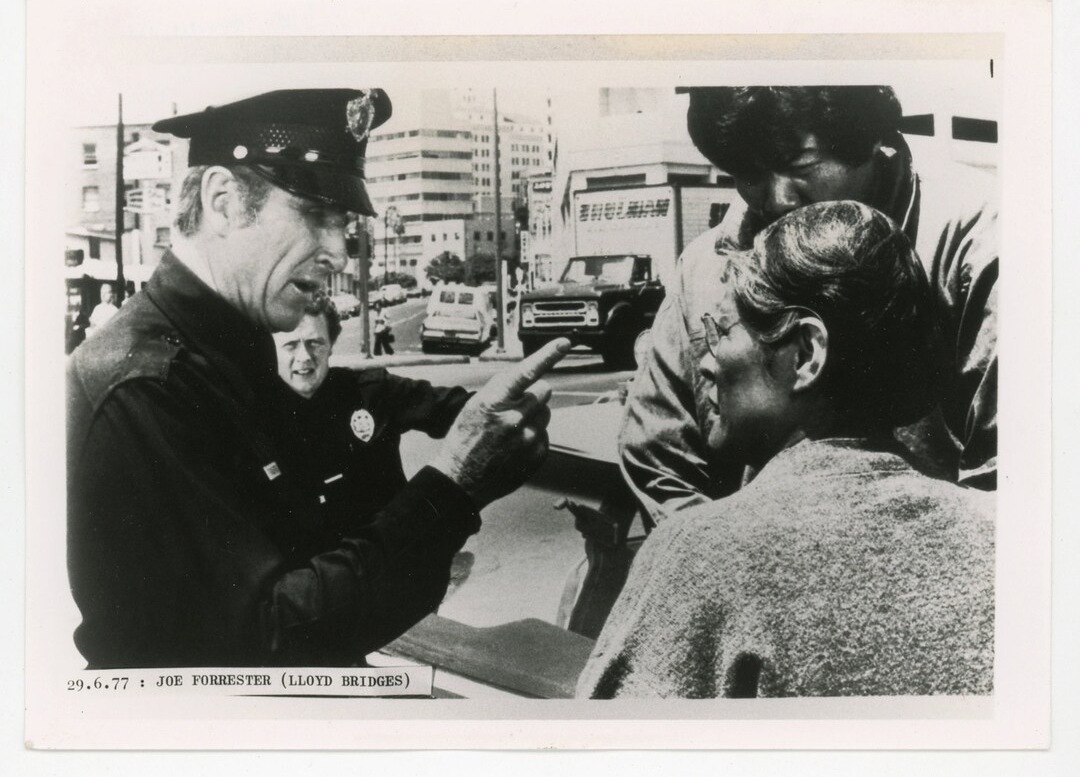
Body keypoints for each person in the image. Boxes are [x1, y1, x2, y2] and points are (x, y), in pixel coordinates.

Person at [67, 87, 570, 668]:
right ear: (223, 202)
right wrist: (453, 487)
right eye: (314, 215)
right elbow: (270, 642)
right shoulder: (149, 384)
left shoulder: (229, 352)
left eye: (343, 224)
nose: (338, 252)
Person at [578, 202, 995, 698]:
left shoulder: (700, 553)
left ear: (806, 354)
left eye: (719, 333)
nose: (706, 364)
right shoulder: (995, 536)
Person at [621, 86, 998, 527]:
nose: (779, 199)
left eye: (799, 165)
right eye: (748, 174)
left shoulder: (980, 239)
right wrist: (725, 555)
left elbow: (1006, 478)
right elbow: (660, 460)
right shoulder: (706, 266)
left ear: (866, 137)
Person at [273, 300, 470, 524]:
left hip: (385, 540)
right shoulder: (256, 410)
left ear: (331, 345)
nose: (304, 356)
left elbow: (462, 408)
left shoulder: (371, 391)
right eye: (291, 345)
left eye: (315, 343)